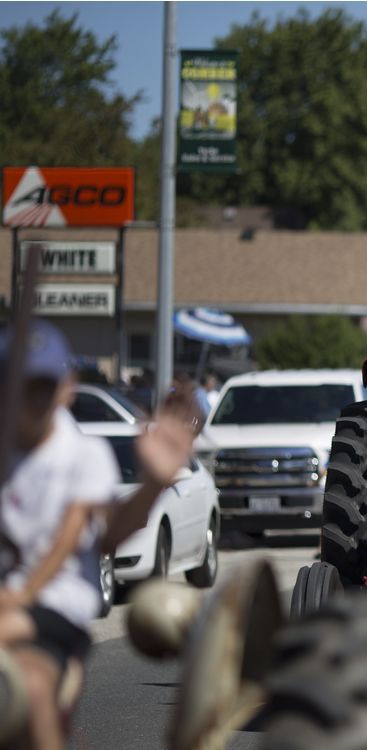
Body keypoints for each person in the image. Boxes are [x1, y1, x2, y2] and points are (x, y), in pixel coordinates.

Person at [0, 320, 198, 750]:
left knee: (31, 690)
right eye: (18, 385)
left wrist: (153, 484)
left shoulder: (81, 454)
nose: (31, 399)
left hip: (51, 607)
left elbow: (87, 534)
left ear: (65, 389)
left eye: (43, 387)